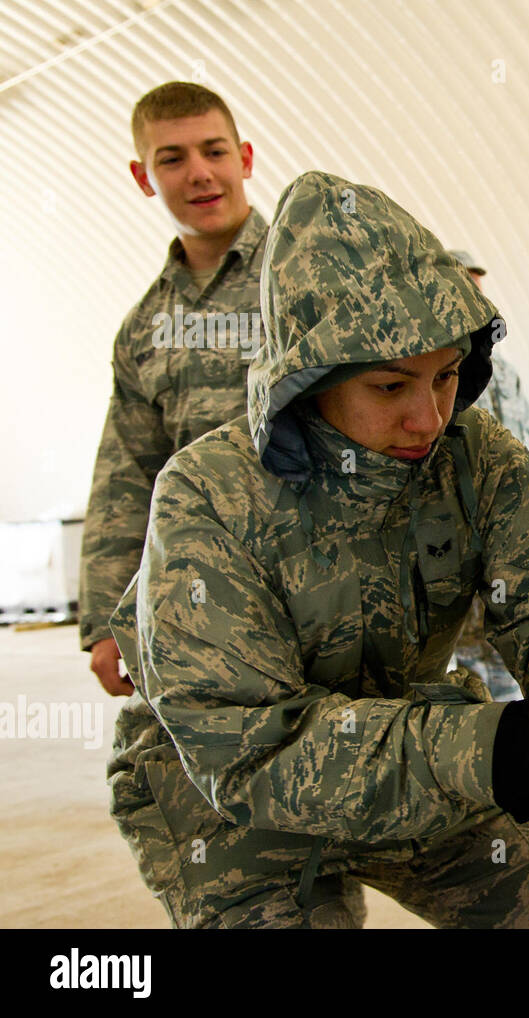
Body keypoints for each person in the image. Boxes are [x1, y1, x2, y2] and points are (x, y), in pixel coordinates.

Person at [106, 170, 529, 929]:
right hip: (230, 806)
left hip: (413, 757)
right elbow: (247, 748)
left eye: (446, 376)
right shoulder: (207, 493)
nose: (428, 417)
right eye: (389, 387)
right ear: (305, 381)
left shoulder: (475, 456)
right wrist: (487, 751)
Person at [80, 81, 265, 697]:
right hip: (203, 602)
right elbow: (128, 474)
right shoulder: (144, 328)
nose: (199, 174)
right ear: (142, 176)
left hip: (337, 588)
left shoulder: (311, 275)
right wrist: (109, 615)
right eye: (172, 158)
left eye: (214, 151)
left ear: (244, 158)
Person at [445, 249, 529, 701]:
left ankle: (512, 725)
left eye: (478, 290)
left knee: (513, 636)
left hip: (509, 529)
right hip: (458, 533)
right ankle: (484, 737)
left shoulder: (506, 373)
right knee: (468, 648)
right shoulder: (436, 377)